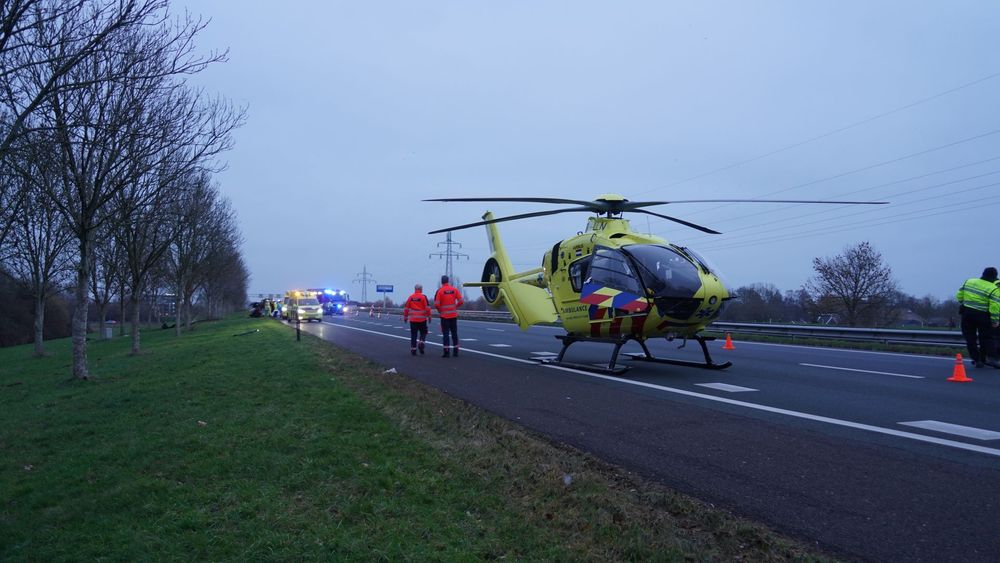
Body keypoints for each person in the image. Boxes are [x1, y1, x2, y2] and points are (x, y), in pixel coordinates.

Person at [955, 267, 1000, 368]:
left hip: (967, 313)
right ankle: (991, 359)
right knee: (986, 338)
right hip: (983, 316)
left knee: (970, 338)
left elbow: (959, 296)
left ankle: (977, 359)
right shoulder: (993, 288)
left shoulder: (969, 281)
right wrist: (995, 320)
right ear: (994, 277)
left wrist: (965, 303)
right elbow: (995, 306)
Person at [434, 274, 464, 357]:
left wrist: (440, 310)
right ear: (448, 281)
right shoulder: (454, 290)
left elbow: (436, 304)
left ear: (441, 282)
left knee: (446, 334)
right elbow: (461, 301)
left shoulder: (440, 291)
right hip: (453, 316)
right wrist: (455, 306)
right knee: (454, 333)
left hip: (444, 317)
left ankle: (446, 352)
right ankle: (456, 351)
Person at [403, 283, 432, 356]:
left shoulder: (411, 297)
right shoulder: (423, 297)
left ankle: (413, 350)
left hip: (413, 319)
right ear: (421, 289)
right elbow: (427, 308)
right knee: (423, 332)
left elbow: (406, 308)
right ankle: (421, 342)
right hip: (422, 319)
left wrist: (405, 317)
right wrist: (429, 316)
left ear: (415, 289)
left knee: (413, 335)